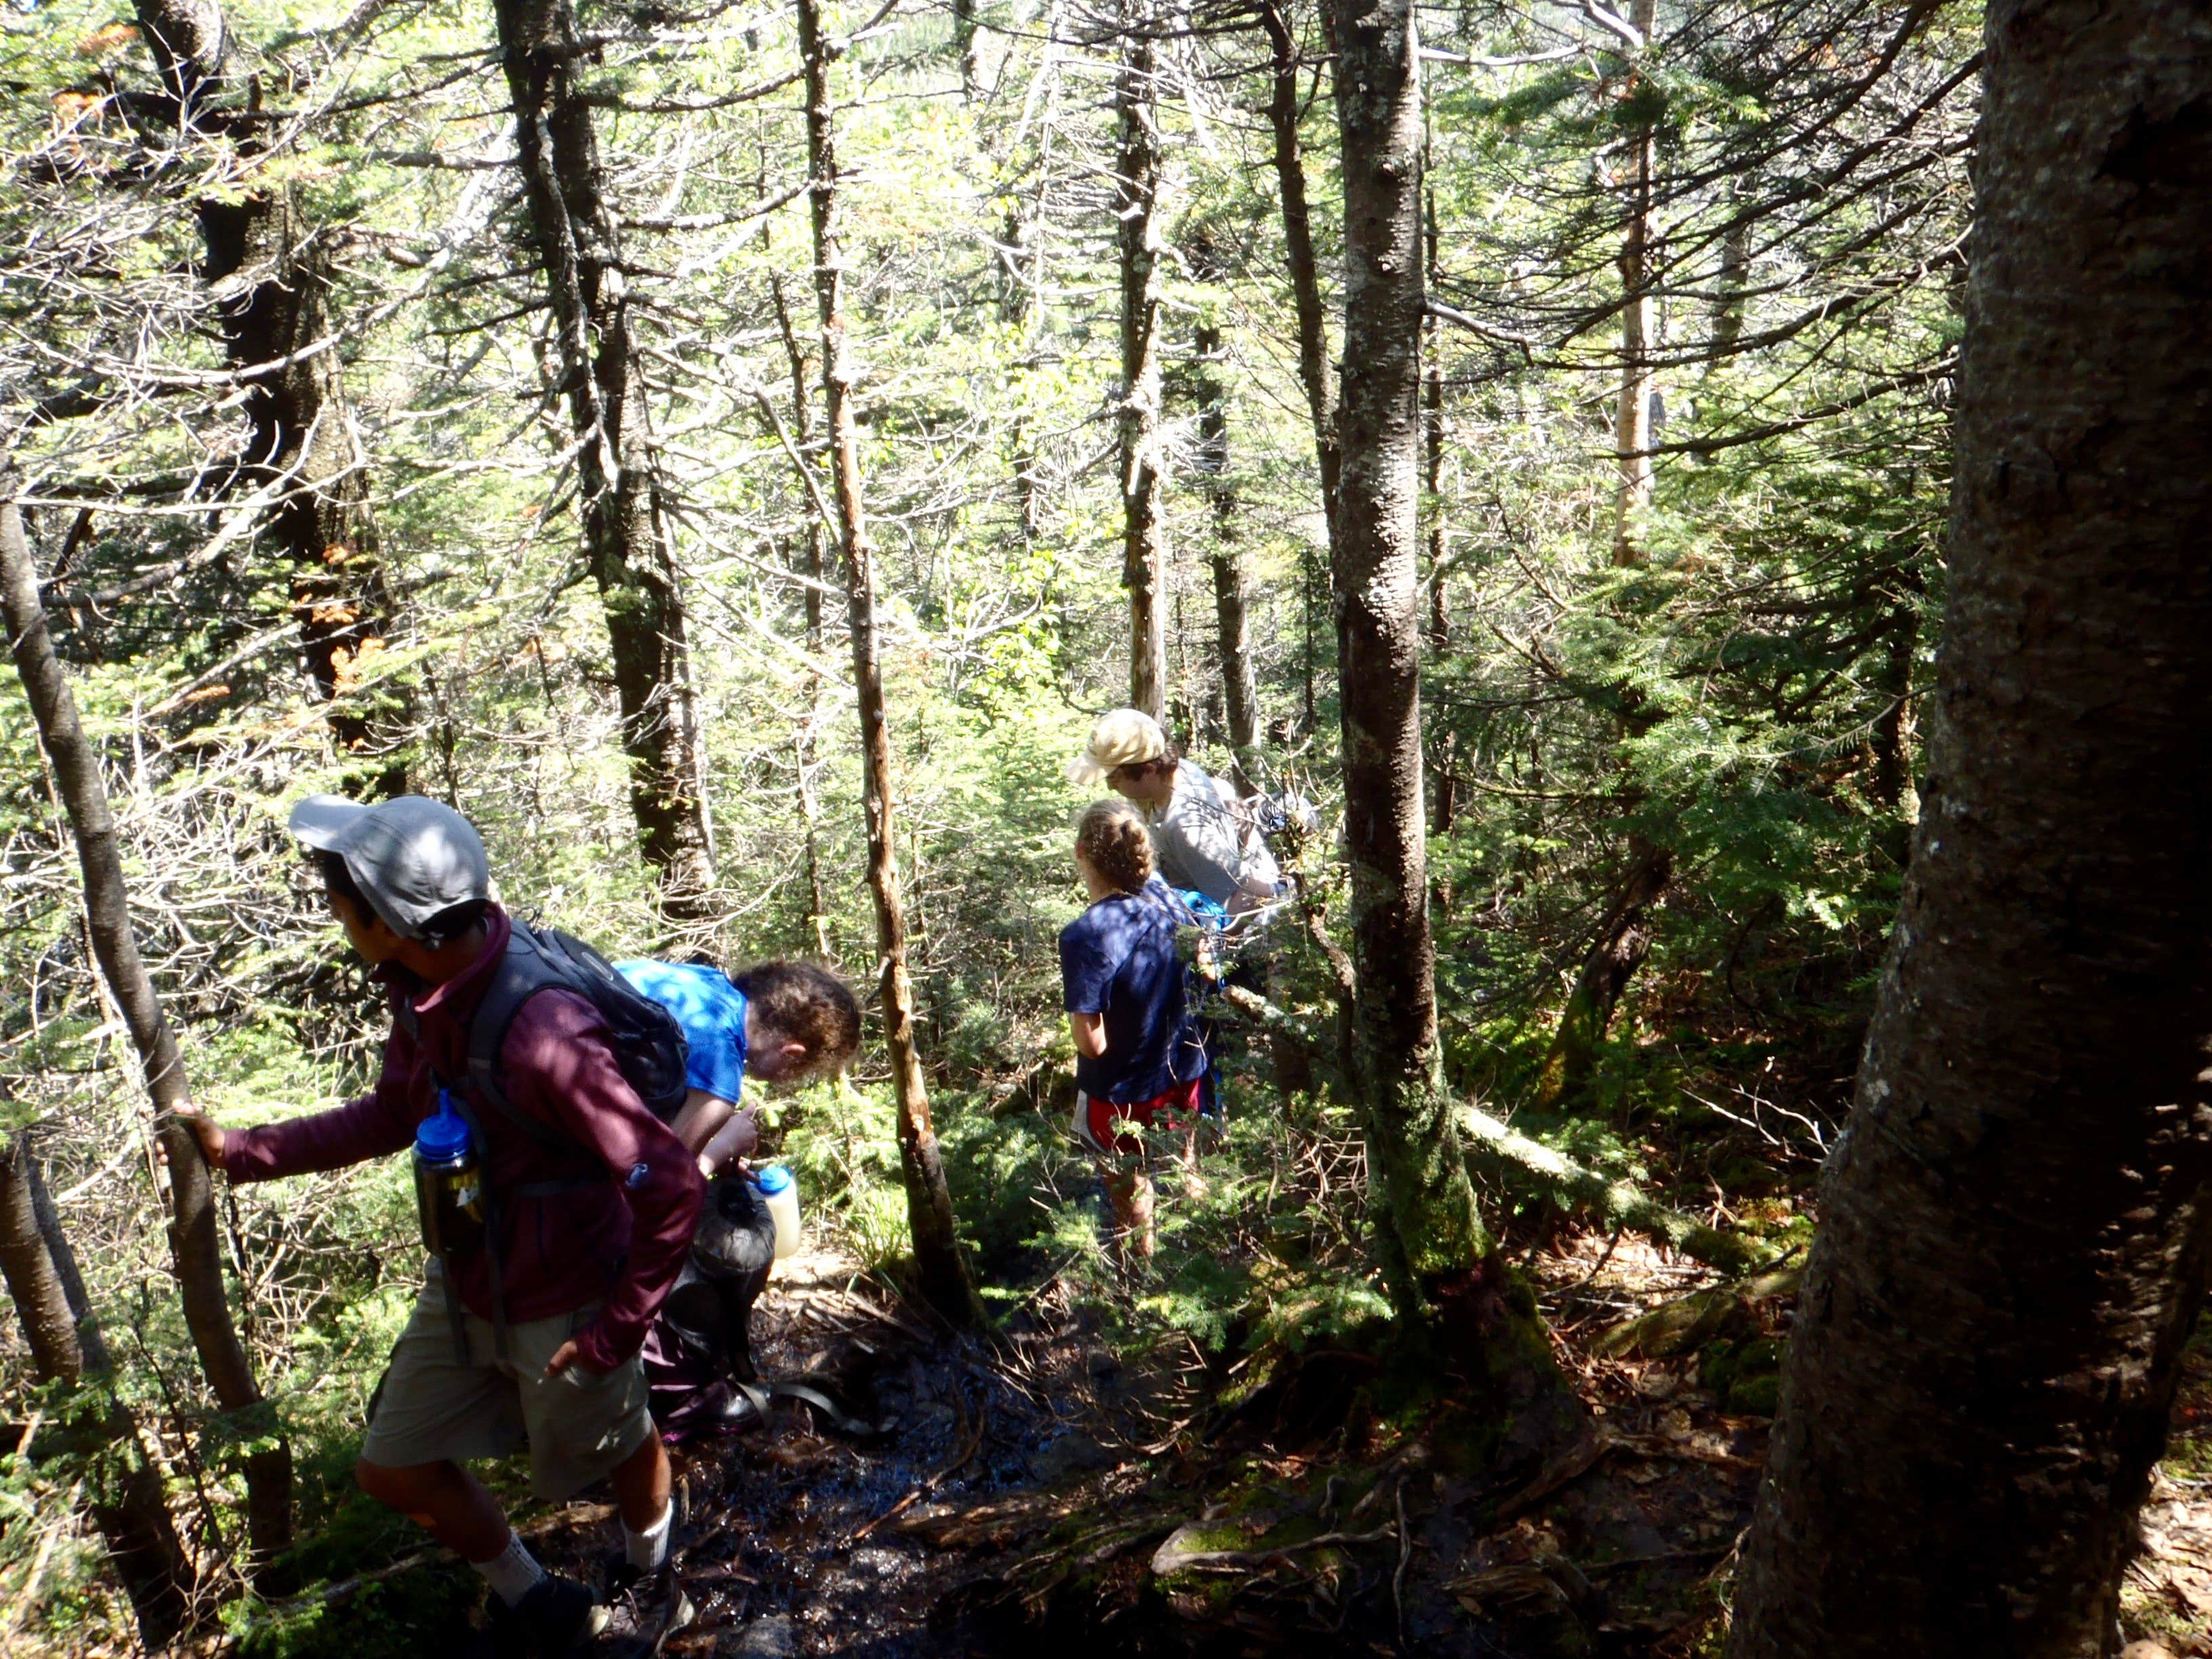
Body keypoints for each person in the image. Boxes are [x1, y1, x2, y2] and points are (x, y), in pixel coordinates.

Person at [173, 796, 702, 1658]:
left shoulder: (543, 1032)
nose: (333, 914)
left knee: (618, 1438)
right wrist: (243, 1152)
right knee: (394, 1465)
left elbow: (670, 1183)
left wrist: (616, 1332)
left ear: (387, 922)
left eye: (340, 902)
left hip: (567, 1291)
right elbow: (395, 1112)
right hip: (467, 1273)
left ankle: (652, 1578)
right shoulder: (423, 988)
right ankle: (540, 1599)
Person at [612, 959, 861, 1437]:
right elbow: (651, 1190)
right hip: (558, 1190)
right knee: (655, 1245)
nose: (788, 1079)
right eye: (799, 1071)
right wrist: (716, 1150)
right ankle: (678, 1401)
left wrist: (709, 1151)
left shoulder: (703, 984)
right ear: (791, 1052)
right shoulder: (720, 1073)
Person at [1059, 799, 1208, 1258]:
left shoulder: (1085, 934)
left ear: (1082, 852)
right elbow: (1204, 971)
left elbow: (1093, 1043)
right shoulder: (1170, 900)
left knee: (1132, 1193)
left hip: (1122, 1093)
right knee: (1185, 1167)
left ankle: (1142, 1277)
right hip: (1184, 1070)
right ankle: (1209, 1258)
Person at [1068, 708, 1280, 914]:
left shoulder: (1184, 828)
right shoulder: (1180, 771)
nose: (1109, 786)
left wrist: (1211, 939)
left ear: (1149, 770)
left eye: (1113, 778)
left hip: (1222, 918)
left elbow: (1246, 896)